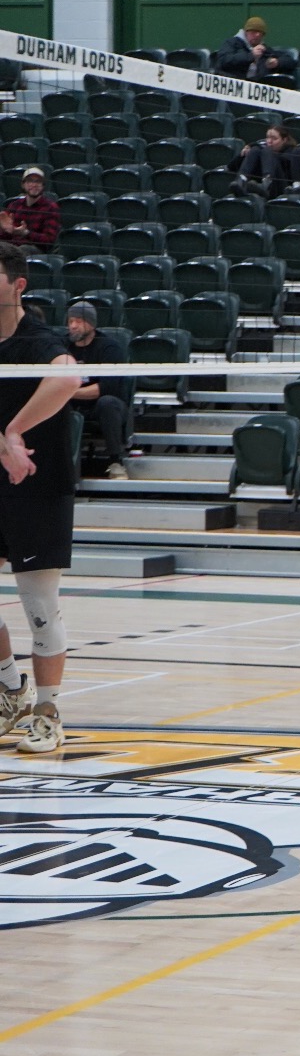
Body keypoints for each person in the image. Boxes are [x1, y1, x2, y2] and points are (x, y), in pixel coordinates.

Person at [0, 242, 80, 754]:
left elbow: (69, 377)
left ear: (17, 286)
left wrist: (14, 431)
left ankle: (48, 712)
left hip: (39, 482)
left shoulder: (38, 339)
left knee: (39, 607)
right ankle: (10, 690)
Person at [64, 303, 132, 481]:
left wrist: (68, 393)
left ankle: (116, 462)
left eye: (78, 321)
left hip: (103, 406)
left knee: (107, 402)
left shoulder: (109, 347)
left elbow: (106, 388)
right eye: (70, 321)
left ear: (92, 324)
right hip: (72, 404)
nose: (73, 326)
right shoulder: (62, 346)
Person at [232, 126, 300, 198]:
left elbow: (282, 161)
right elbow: (231, 166)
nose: (269, 141)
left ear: (284, 140)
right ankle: (241, 180)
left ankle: (267, 182)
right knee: (255, 149)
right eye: (267, 137)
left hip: (283, 187)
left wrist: (264, 150)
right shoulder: (261, 150)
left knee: (265, 150)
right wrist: (245, 152)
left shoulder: (293, 151)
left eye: (274, 138)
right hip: (258, 185)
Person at [214, 17, 294, 83]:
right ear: (246, 32)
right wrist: (251, 55)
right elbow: (223, 61)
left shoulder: (265, 50)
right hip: (233, 85)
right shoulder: (232, 43)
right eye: (254, 32)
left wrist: (277, 62)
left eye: (261, 33)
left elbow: (290, 61)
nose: (257, 35)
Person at [0, 166, 59, 254]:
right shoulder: (15, 205)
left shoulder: (50, 207)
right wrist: (5, 230)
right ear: (23, 185)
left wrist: (26, 233)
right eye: (30, 181)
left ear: (43, 186)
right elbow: (5, 236)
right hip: (12, 248)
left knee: (22, 249)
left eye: (38, 181)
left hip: (35, 250)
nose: (34, 184)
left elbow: (49, 240)